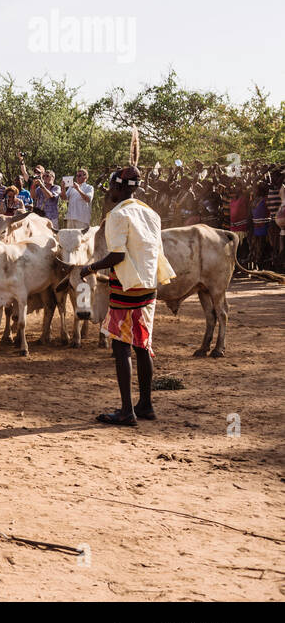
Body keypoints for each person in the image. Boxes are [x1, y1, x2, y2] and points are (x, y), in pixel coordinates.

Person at [81, 164, 174, 427]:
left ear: (119, 188)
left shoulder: (117, 215)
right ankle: (145, 404)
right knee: (142, 345)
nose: (109, 190)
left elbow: (118, 255)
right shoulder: (151, 214)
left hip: (125, 286)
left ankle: (125, 411)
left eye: (111, 186)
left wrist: (90, 268)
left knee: (121, 346)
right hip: (148, 285)